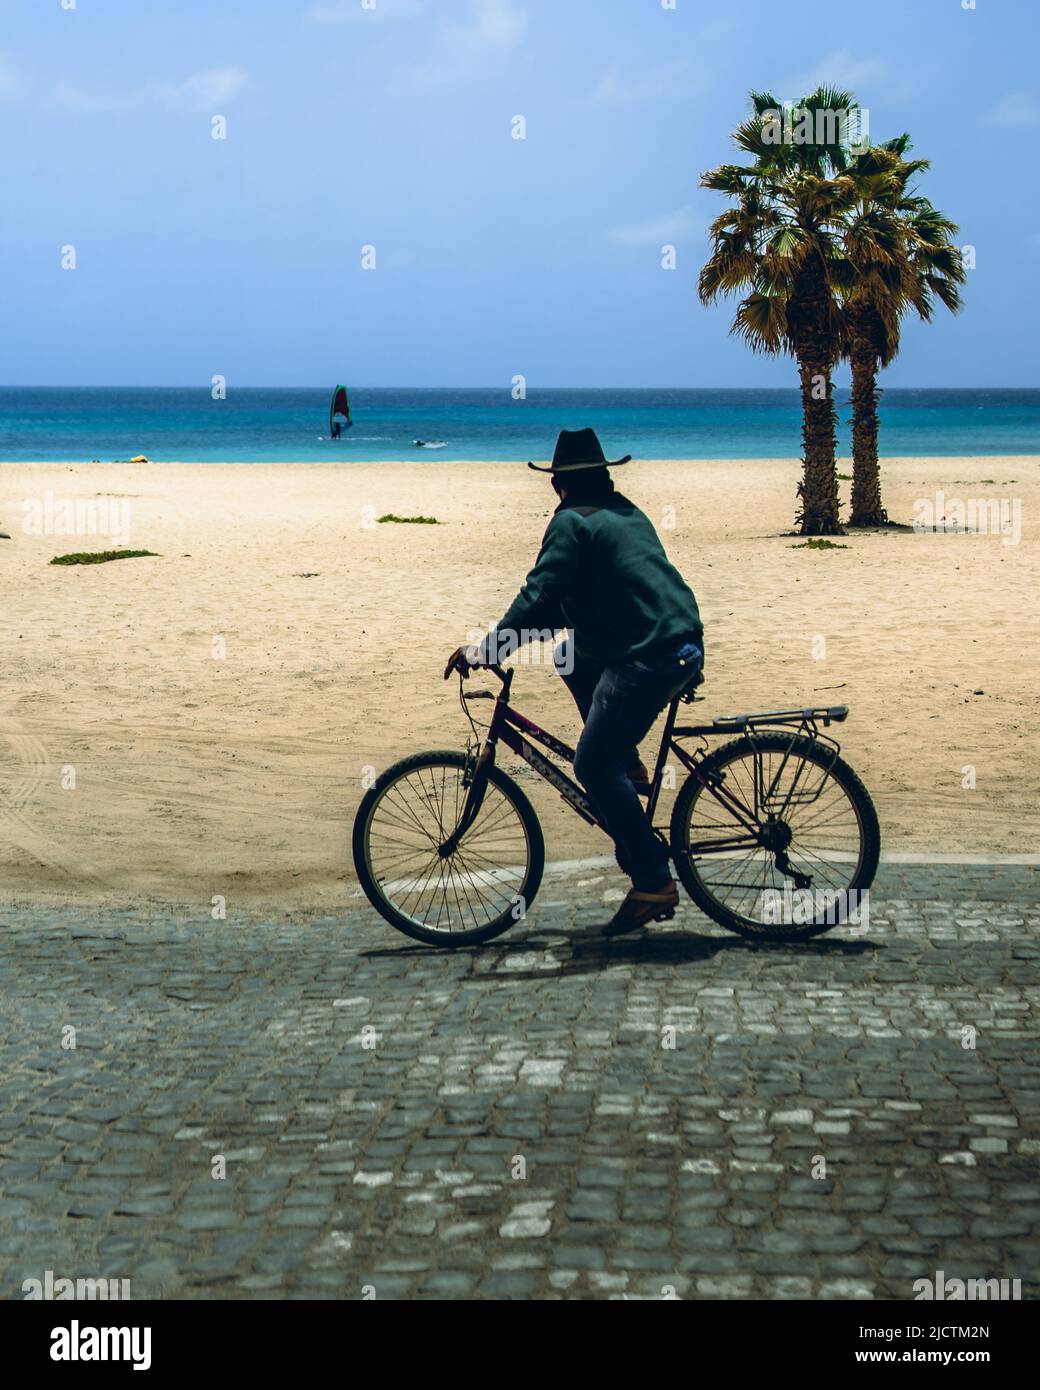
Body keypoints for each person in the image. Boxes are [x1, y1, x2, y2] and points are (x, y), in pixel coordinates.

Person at [444, 427, 704, 935]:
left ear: (557, 483)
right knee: (569, 656)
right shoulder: (625, 511)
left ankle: (653, 879)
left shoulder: (569, 524)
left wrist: (487, 649)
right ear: (604, 475)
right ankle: (627, 769)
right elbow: (577, 604)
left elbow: (537, 595)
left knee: (590, 762)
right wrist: (515, 639)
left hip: (648, 656)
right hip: (682, 641)